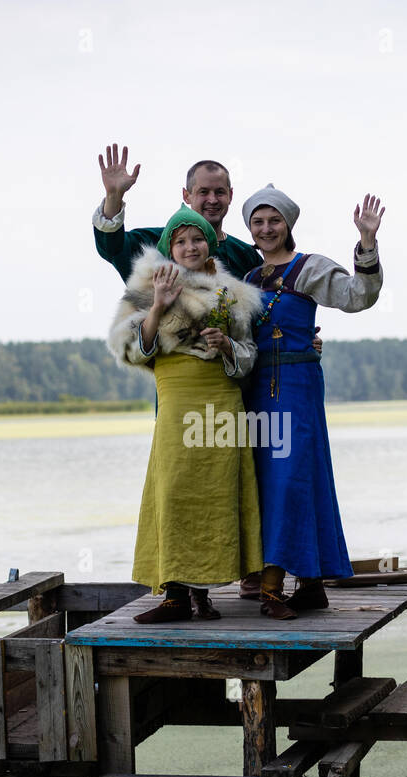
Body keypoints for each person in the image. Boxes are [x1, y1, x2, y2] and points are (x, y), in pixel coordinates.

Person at [107, 204, 265, 623]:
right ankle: (174, 594)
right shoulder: (147, 283)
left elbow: (250, 356)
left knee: (214, 495)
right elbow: (127, 348)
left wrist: (228, 345)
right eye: (181, 241)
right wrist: (158, 306)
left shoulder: (234, 293)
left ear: (209, 244)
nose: (190, 246)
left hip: (221, 400)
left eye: (197, 239)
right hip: (177, 400)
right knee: (174, 491)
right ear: (170, 248)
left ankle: (203, 594)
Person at [239, 184, 385, 620]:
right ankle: (312, 585)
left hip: (297, 386)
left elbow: (360, 295)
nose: (267, 229)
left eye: (274, 220)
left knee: (292, 478)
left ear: (288, 224)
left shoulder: (309, 268)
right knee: (270, 481)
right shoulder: (247, 280)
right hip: (256, 389)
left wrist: (367, 242)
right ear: (250, 229)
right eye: (258, 222)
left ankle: (273, 588)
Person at [94, 144, 262, 282]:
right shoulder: (154, 241)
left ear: (230, 195)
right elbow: (112, 248)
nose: (212, 200)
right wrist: (113, 196)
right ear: (186, 195)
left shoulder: (245, 255)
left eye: (219, 192)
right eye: (203, 192)